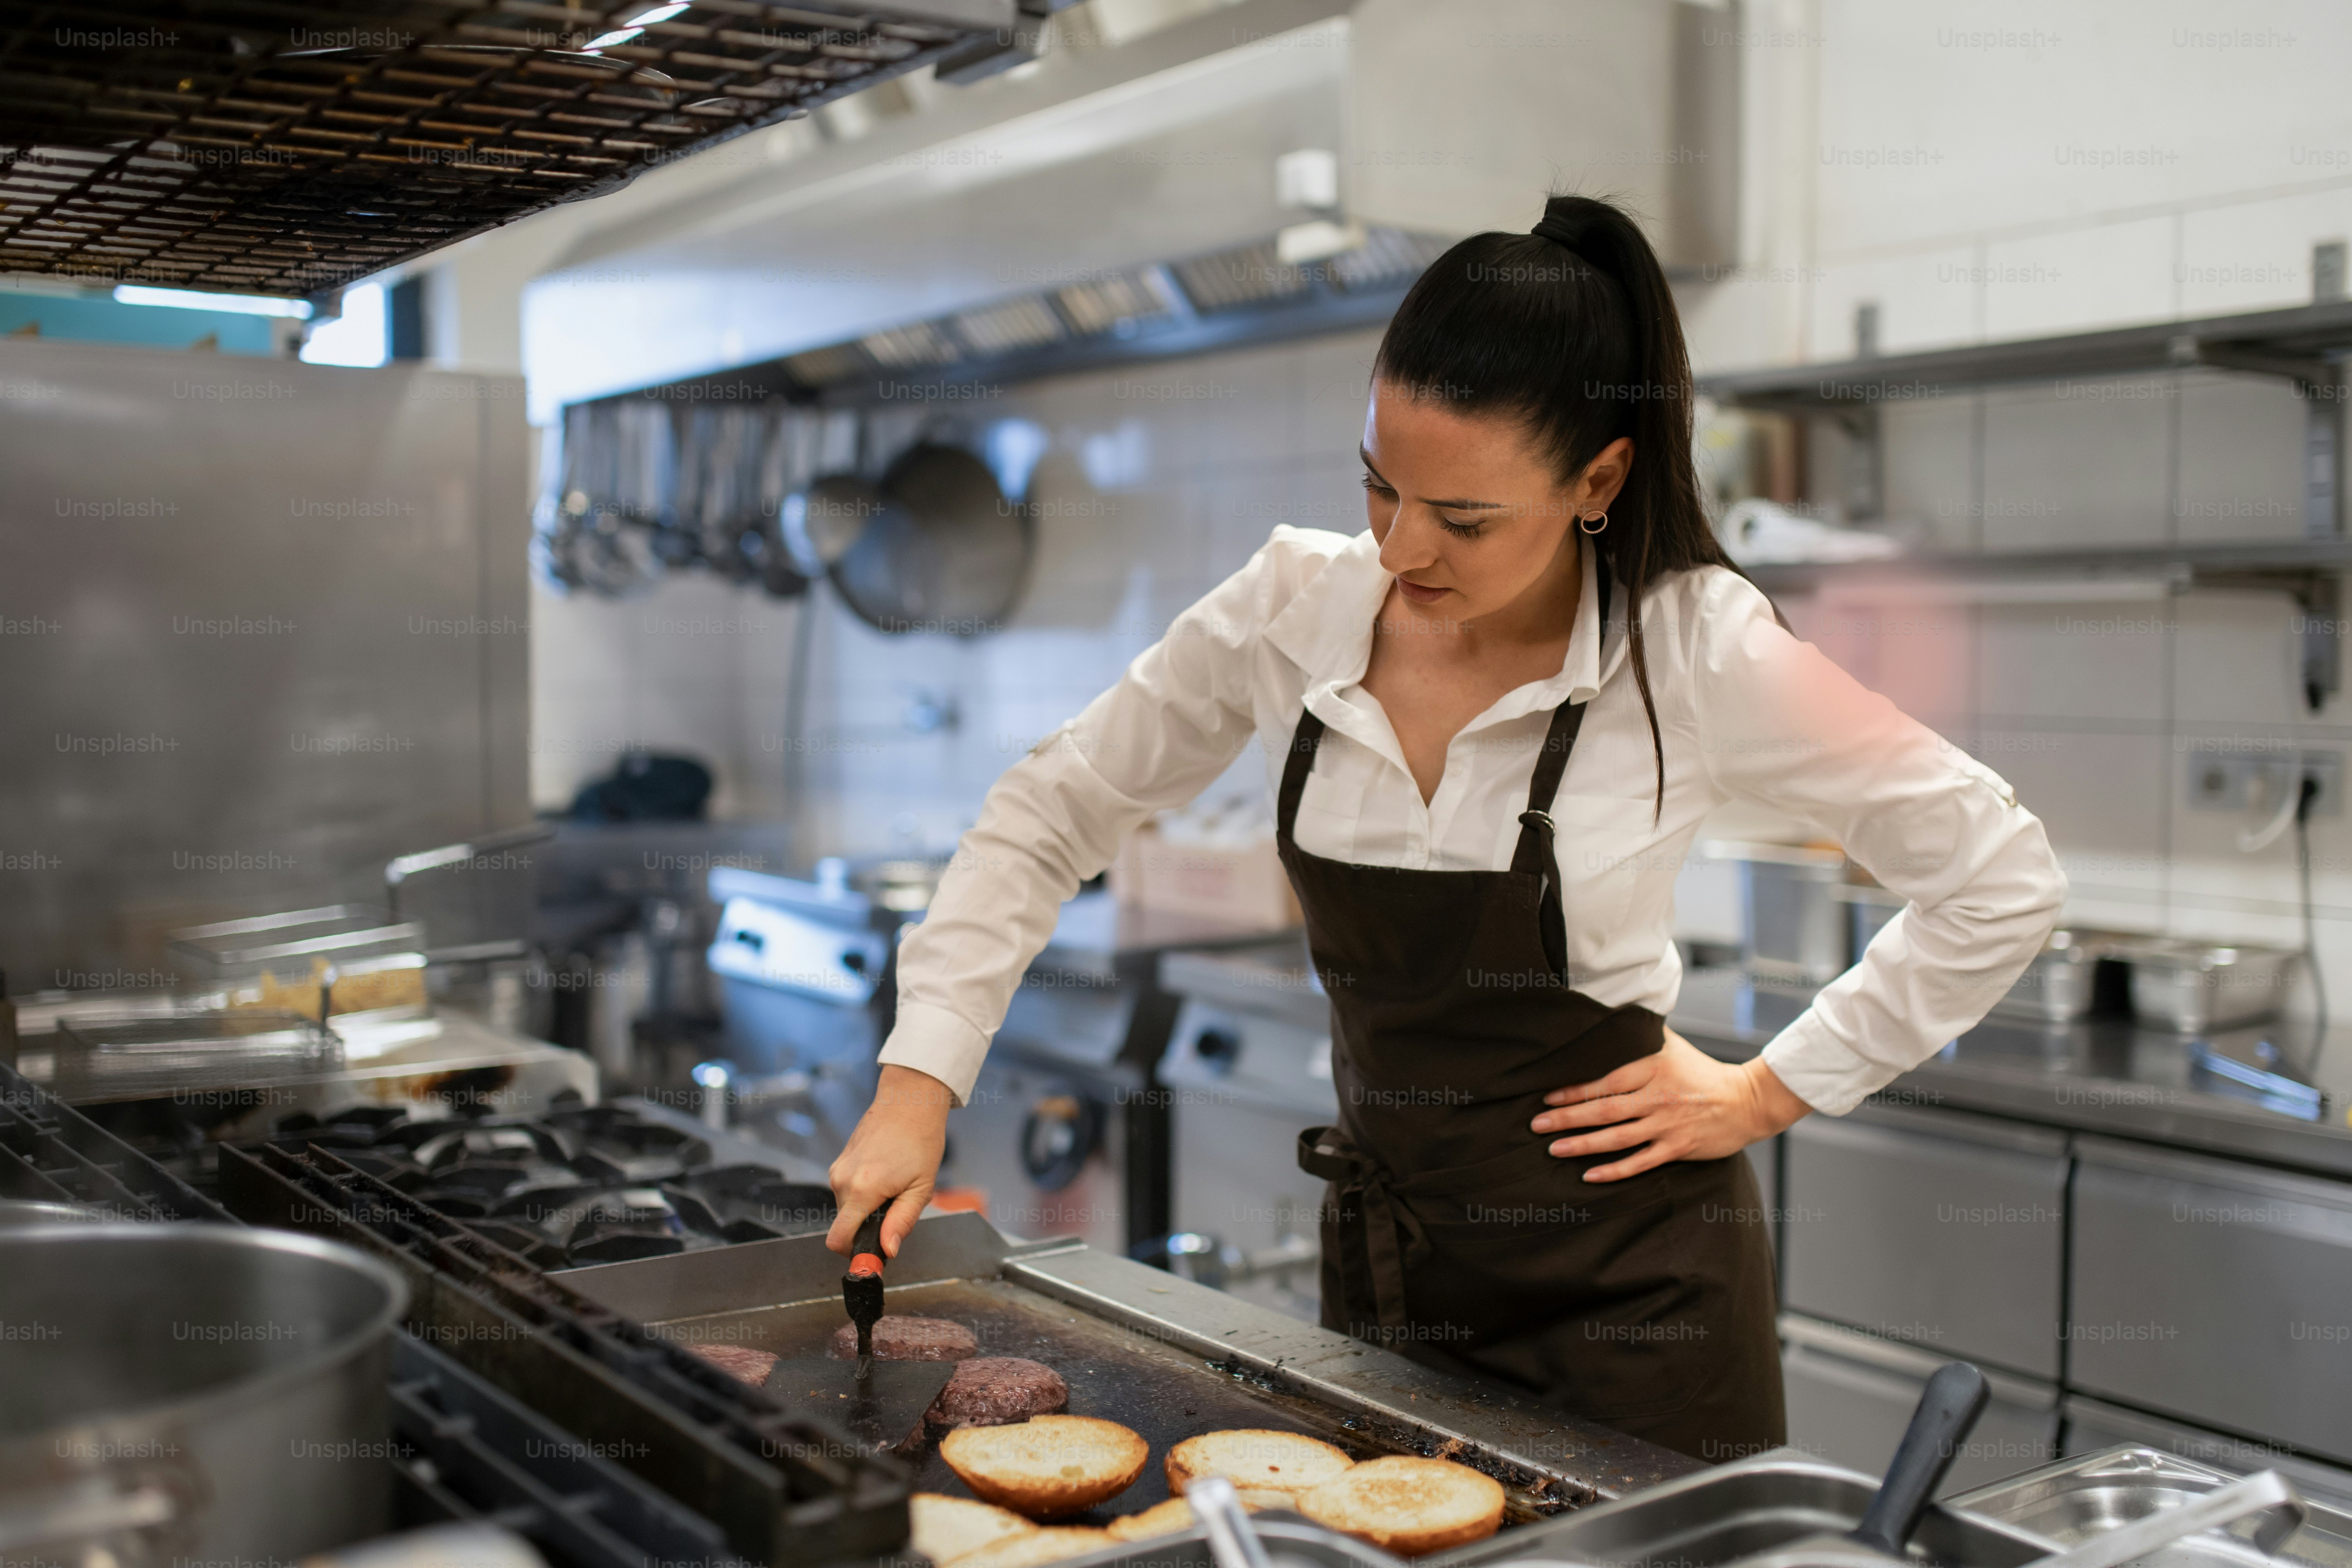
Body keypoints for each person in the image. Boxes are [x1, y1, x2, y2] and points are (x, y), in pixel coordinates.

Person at [824, 193, 2067, 1460]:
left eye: (1462, 518)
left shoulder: (1690, 646)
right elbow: (1052, 809)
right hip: (1394, 1272)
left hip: (1639, 1301)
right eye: (1379, 487)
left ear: (1598, 479)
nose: (1402, 546)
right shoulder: (1290, 607)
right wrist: (917, 1085)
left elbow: (1997, 874)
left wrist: (1769, 1087)